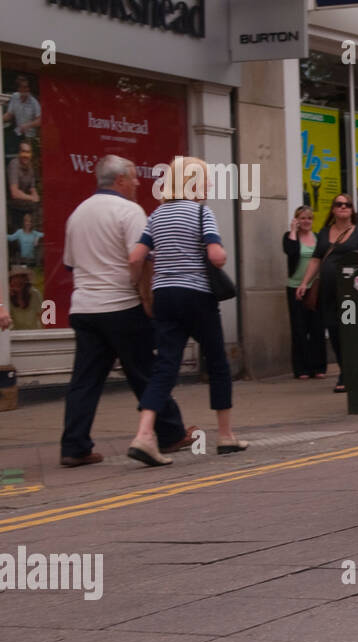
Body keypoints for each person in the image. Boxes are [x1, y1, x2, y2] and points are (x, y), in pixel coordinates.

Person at [60, 155, 193, 468]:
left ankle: (74, 446)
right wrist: (145, 296)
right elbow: (142, 258)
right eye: (133, 178)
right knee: (146, 371)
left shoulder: (78, 213)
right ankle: (171, 432)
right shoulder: (129, 211)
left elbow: (69, 262)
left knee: (85, 380)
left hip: (85, 307)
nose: (137, 183)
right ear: (119, 180)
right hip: (121, 305)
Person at [127, 156, 243, 466]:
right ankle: (226, 436)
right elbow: (216, 255)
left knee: (165, 366)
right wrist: (221, 255)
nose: (208, 185)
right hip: (197, 296)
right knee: (217, 362)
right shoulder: (203, 213)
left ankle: (144, 434)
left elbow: (136, 257)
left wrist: (142, 289)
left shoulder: (156, 216)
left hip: (164, 296)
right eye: (204, 180)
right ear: (191, 183)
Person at [296, 194, 358, 393]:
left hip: (351, 294)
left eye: (347, 205)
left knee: (347, 330)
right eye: (338, 204)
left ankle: (347, 374)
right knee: (333, 330)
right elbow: (316, 259)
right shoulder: (323, 233)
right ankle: (345, 369)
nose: (343, 207)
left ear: (352, 210)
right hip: (328, 292)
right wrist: (305, 283)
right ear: (333, 209)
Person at [283, 205, 327, 379]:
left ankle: (319, 367)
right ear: (296, 220)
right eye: (302, 218)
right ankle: (301, 369)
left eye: (309, 218)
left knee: (317, 328)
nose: (306, 221)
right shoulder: (289, 238)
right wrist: (293, 231)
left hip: (315, 288)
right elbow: (290, 252)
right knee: (299, 329)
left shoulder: (318, 238)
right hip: (295, 287)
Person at [7, 141, 40, 232]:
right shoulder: (14, 164)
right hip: (12, 210)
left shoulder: (30, 167)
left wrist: (35, 196)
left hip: (24, 207)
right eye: (23, 151)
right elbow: (14, 193)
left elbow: (32, 188)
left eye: (28, 152)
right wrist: (31, 198)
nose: (26, 155)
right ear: (19, 153)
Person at [2, 75, 41, 141]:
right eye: (24, 87)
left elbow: (40, 121)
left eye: (28, 87)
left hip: (30, 137)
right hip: (17, 133)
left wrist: (27, 125)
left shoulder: (34, 102)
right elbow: (9, 114)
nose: (27, 89)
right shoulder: (15, 96)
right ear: (19, 88)